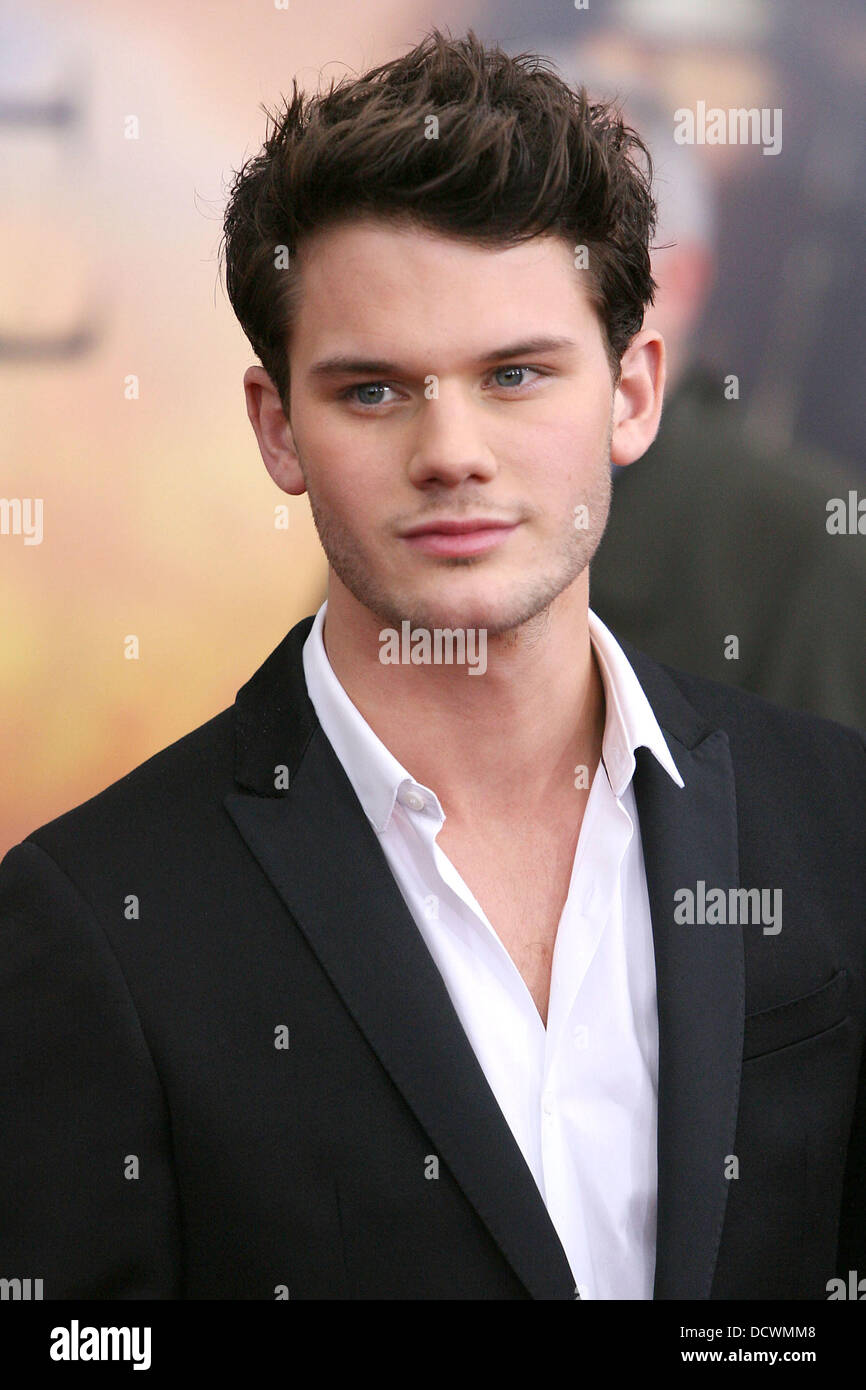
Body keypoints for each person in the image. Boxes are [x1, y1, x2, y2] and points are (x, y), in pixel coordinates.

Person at [0, 29, 863, 1301]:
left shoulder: (834, 818)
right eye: (371, 391)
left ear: (632, 393)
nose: (450, 449)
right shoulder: (95, 919)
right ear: (275, 425)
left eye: (514, 374)